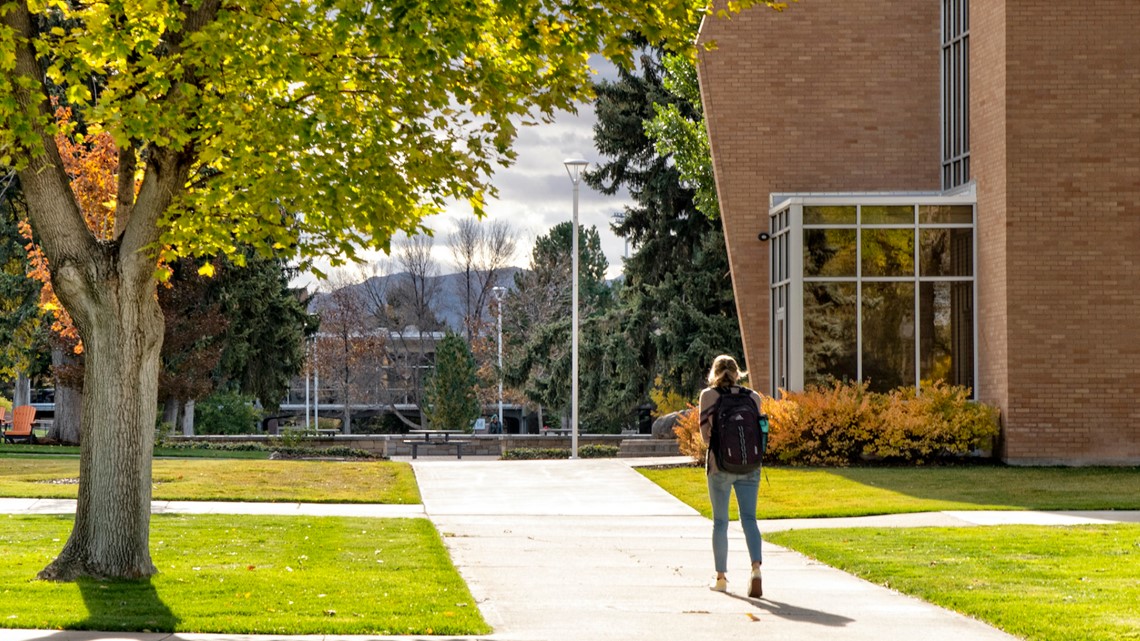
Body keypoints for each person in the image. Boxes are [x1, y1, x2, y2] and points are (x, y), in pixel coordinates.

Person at [699, 354, 764, 598]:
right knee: (749, 519)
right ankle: (756, 569)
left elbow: (706, 437)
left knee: (721, 522)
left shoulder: (708, 396)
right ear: (738, 374)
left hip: (720, 466)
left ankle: (721, 578)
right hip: (750, 466)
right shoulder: (753, 397)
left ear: (714, 373)